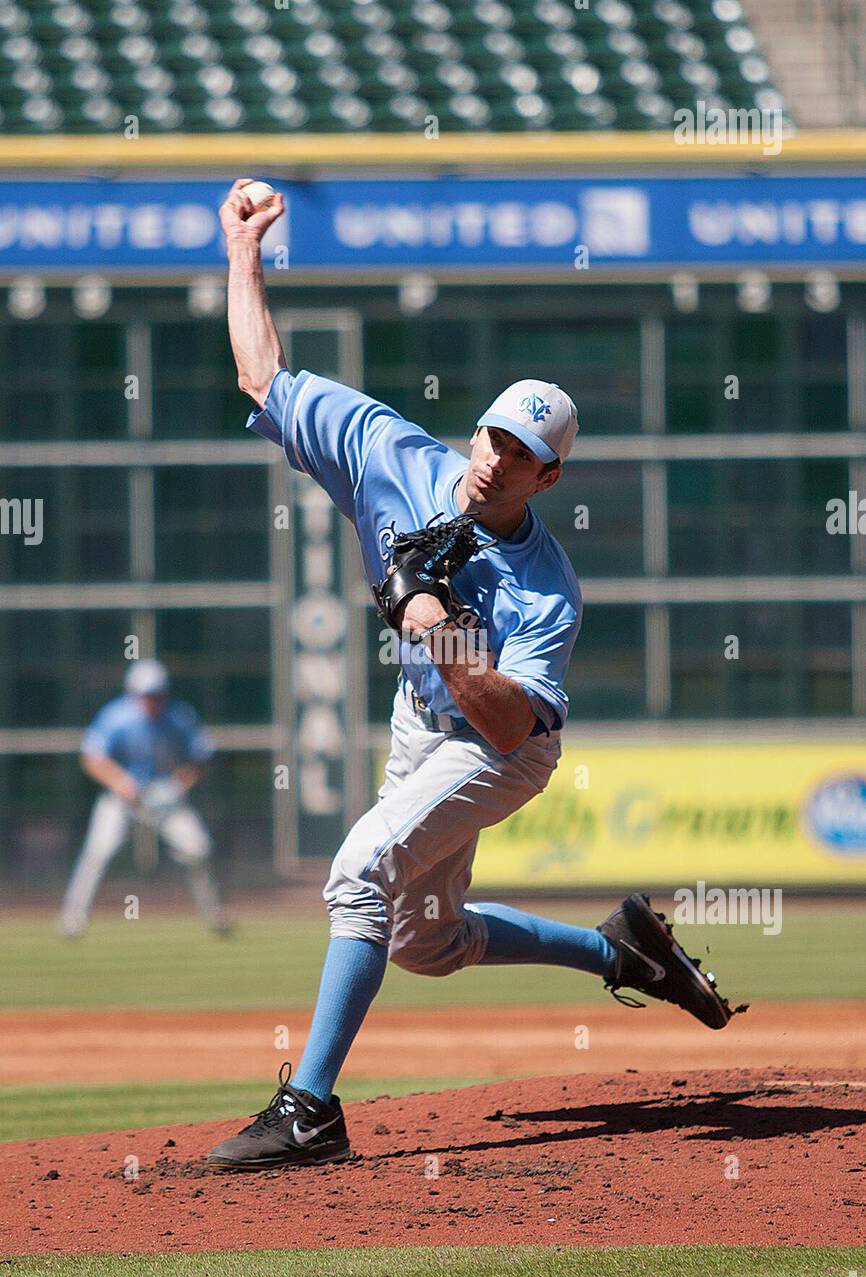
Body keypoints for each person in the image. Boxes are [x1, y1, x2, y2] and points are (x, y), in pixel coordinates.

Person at [206, 179, 737, 1171]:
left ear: (548, 477)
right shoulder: (383, 450)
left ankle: (309, 1109)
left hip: (501, 747)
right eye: (493, 436)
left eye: (523, 453)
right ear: (475, 431)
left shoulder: (547, 589)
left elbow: (502, 729)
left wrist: (431, 619)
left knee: (358, 869)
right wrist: (242, 253)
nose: (496, 460)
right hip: (418, 725)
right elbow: (261, 377)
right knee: (423, 943)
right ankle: (622, 951)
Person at [58, 658, 233, 938]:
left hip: (164, 795)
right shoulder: (116, 716)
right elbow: (92, 758)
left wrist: (179, 783)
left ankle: (215, 915)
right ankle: (73, 918)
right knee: (99, 852)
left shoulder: (179, 716)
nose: (150, 701)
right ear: (133, 694)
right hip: (123, 796)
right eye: (145, 695)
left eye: (155, 695)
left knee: (199, 849)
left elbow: (200, 757)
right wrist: (119, 781)